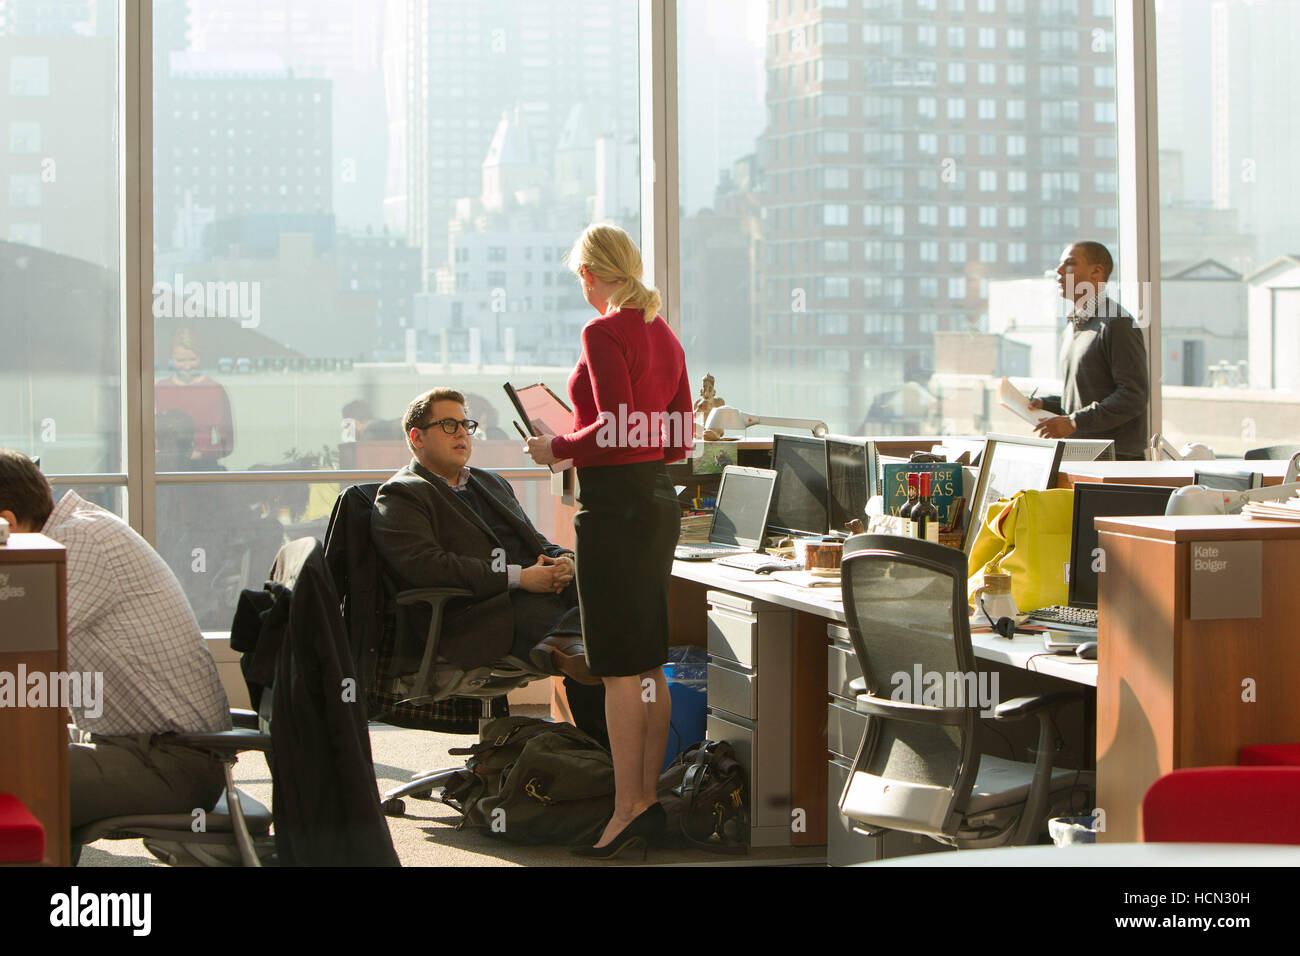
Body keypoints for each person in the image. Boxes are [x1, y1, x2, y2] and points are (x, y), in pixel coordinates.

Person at [525, 223, 692, 858]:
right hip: (655, 502)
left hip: (614, 509)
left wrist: (555, 446)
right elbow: (677, 438)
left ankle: (627, 809)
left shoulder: (605, 331)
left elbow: (613, 429)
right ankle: (644, 802)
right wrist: (598, 438)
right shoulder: (664, 334)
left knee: (620, 668)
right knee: (647, 662)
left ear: (591, 274)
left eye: (580, 278)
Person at [0, 450, 231, 864]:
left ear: (7, 523)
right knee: (24, 759)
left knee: (19, 777)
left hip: (172, 761)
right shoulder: (75, 530)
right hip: (145, 748)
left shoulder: (77, 544)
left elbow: (13, 644)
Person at [369, 389, 607, 738]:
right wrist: (519, 578)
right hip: (471, 613)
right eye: (448, 425)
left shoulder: (490, 482)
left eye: (466, 424)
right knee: (587, 646)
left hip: (533, 600)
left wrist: (562, 561)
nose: (462, 433)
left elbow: (535, 542)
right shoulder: (403, 493)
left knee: (602, 609)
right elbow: (427, 566)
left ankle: (603, 757)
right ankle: (570, 644)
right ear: (416, 437)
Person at [1030, 241, 1150, 460]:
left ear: (1096, 272)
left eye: (1069, 264)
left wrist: (1074, 422)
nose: (1058, 271)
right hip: (1080, 456)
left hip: (1114, 461)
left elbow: (1133, 396)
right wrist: (1047, 404)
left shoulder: (1118, 323)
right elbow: (1090, 395)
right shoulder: (1073, 327)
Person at [155, 327, 235, 463]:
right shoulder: (160, 389)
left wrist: (201, 455)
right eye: (180, 360)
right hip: (167, 471)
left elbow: (227, 444)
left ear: (201, 356)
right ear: (171, 358)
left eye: (192, 359)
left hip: (202, 470)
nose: (187, 366)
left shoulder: (214, 390)